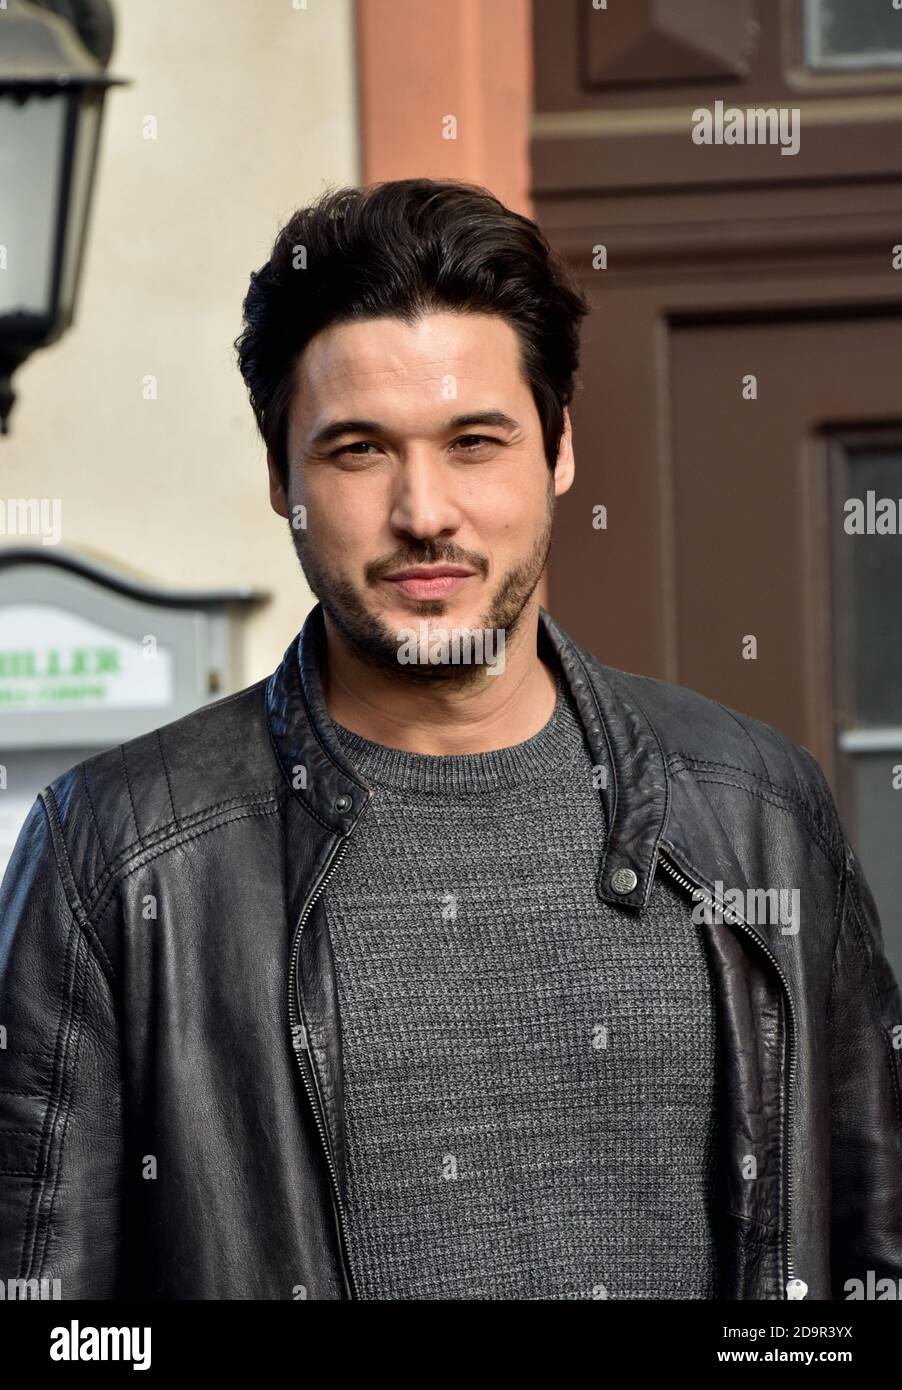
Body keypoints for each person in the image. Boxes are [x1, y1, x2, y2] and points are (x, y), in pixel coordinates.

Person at [1, 178, 900, 1301]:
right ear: (279, 476)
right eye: (358, 451)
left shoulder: (758, 811)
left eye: (474, 441)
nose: (424, 510)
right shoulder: (117, 856)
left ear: (558, 449)